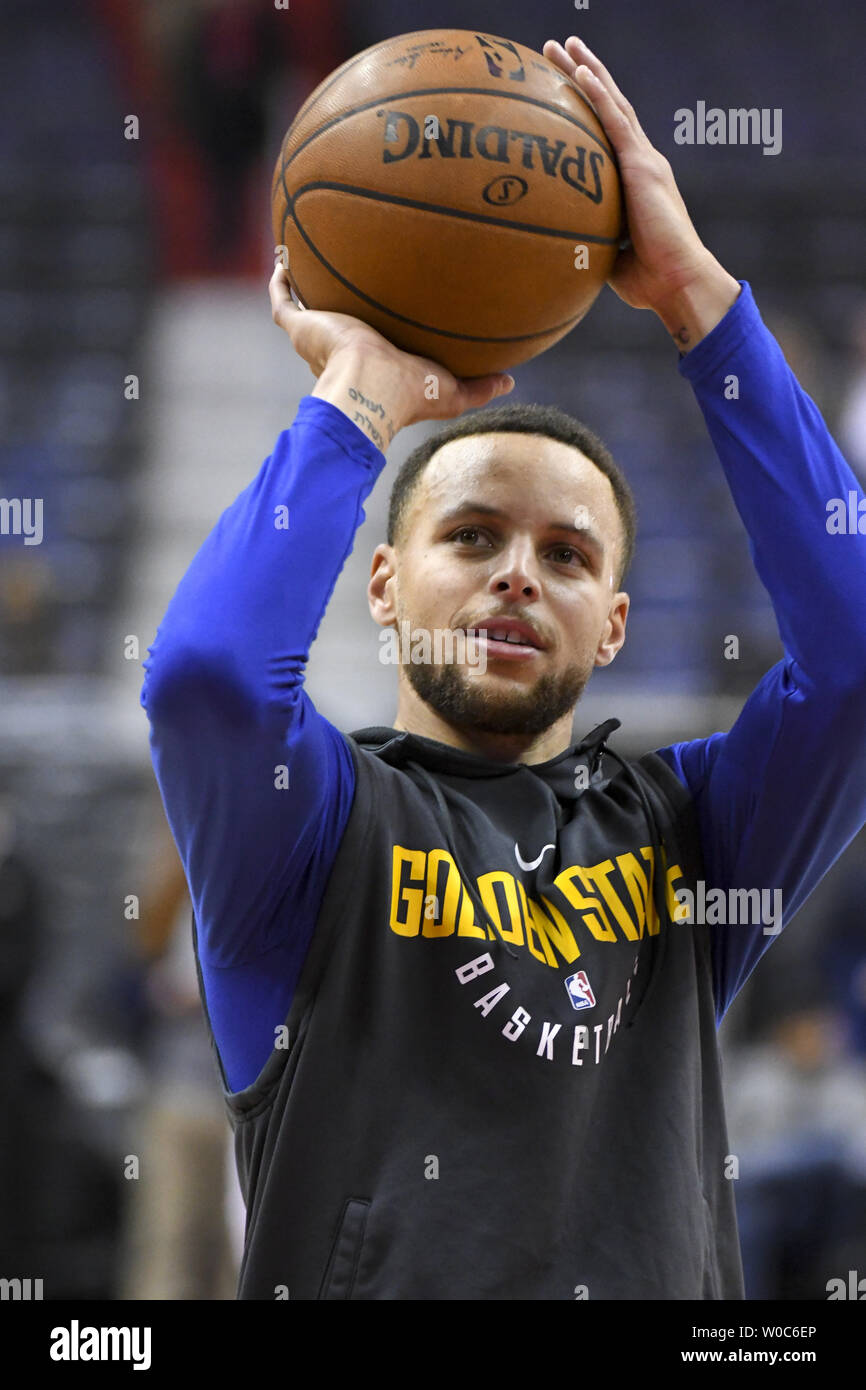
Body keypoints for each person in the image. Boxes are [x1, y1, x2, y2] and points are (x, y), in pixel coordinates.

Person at [140, 34, 866, 1299]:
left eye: (568, 554)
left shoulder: (691, 837)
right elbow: (204, 676)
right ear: (382, 585)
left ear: (616, 624)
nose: (518, 573)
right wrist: (356, 400)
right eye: (471, 536)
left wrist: (697, 297)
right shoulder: (306, 827)